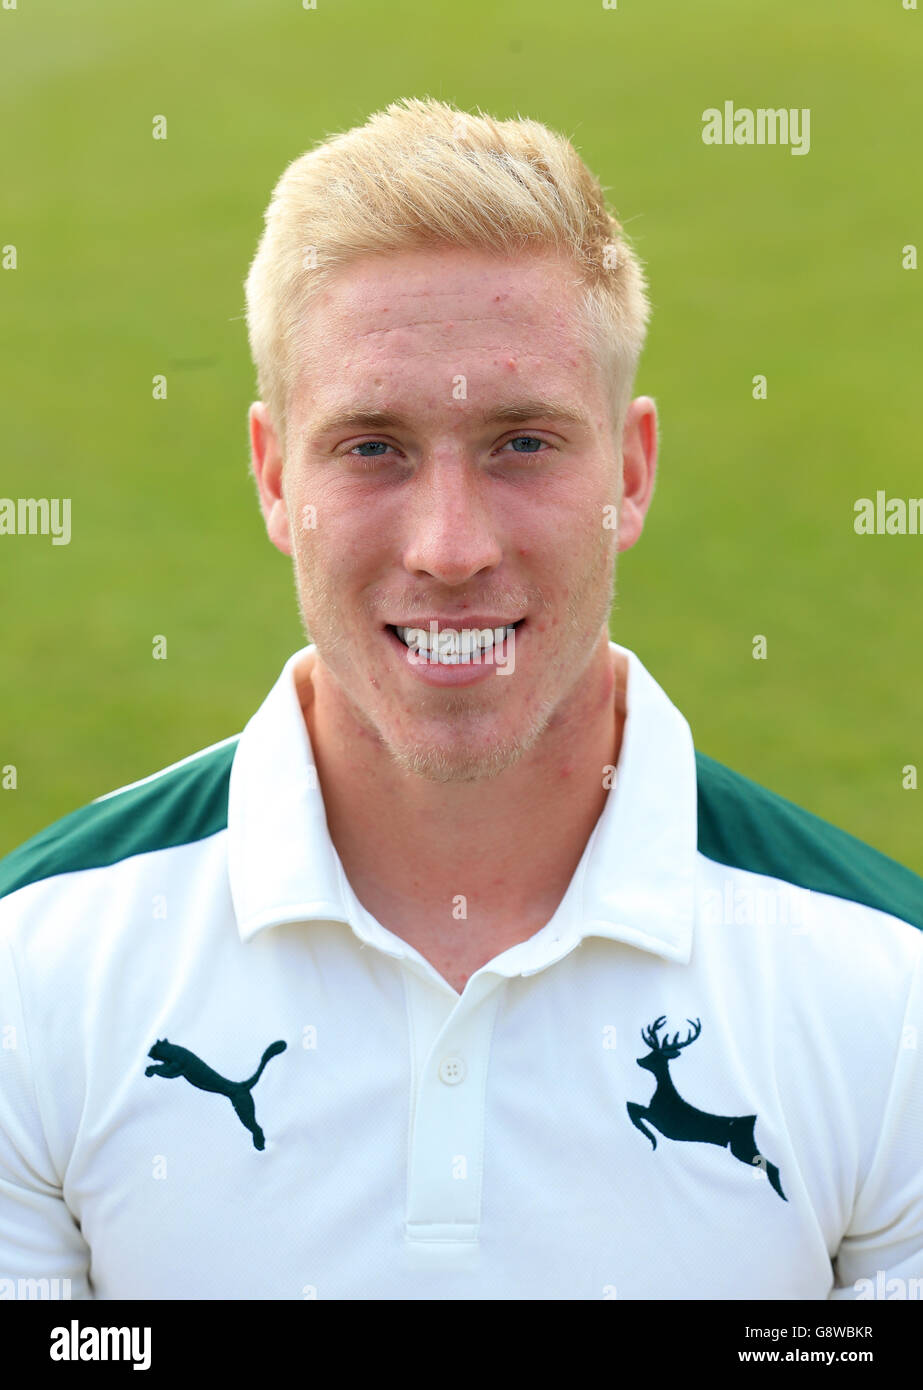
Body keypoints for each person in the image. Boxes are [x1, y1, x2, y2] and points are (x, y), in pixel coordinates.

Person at [1, 97, 920, 1302]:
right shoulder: (30, 970)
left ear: (629, 472)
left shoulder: (888, 994)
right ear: (273, 476)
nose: (448, 548)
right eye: (371, 446)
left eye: (521, 443)